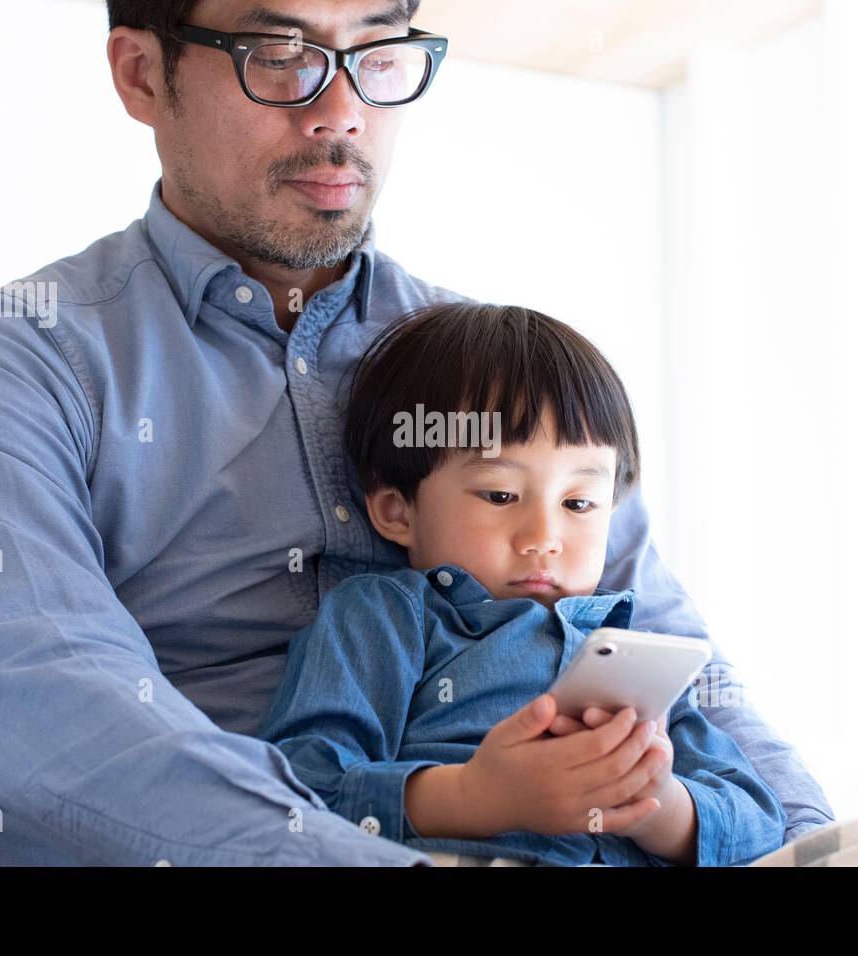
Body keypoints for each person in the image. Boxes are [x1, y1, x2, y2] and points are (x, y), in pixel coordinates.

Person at [0, 0, 833, 865]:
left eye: (379, 56)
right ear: (143, 75)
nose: (342, 113)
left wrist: (810, 843)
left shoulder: (501, 373)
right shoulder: (17, 362)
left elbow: (674, 659)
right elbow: (60, 716)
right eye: (279, 54)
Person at [258, 303, 788, 866]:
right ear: (397, 510)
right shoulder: (385, 618)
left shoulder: (631, 661)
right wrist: (476, 797)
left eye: (579, 503)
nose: (543, 537)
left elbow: (761, 825)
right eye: (500, 496)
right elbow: (299, 788)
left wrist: (653, 798)